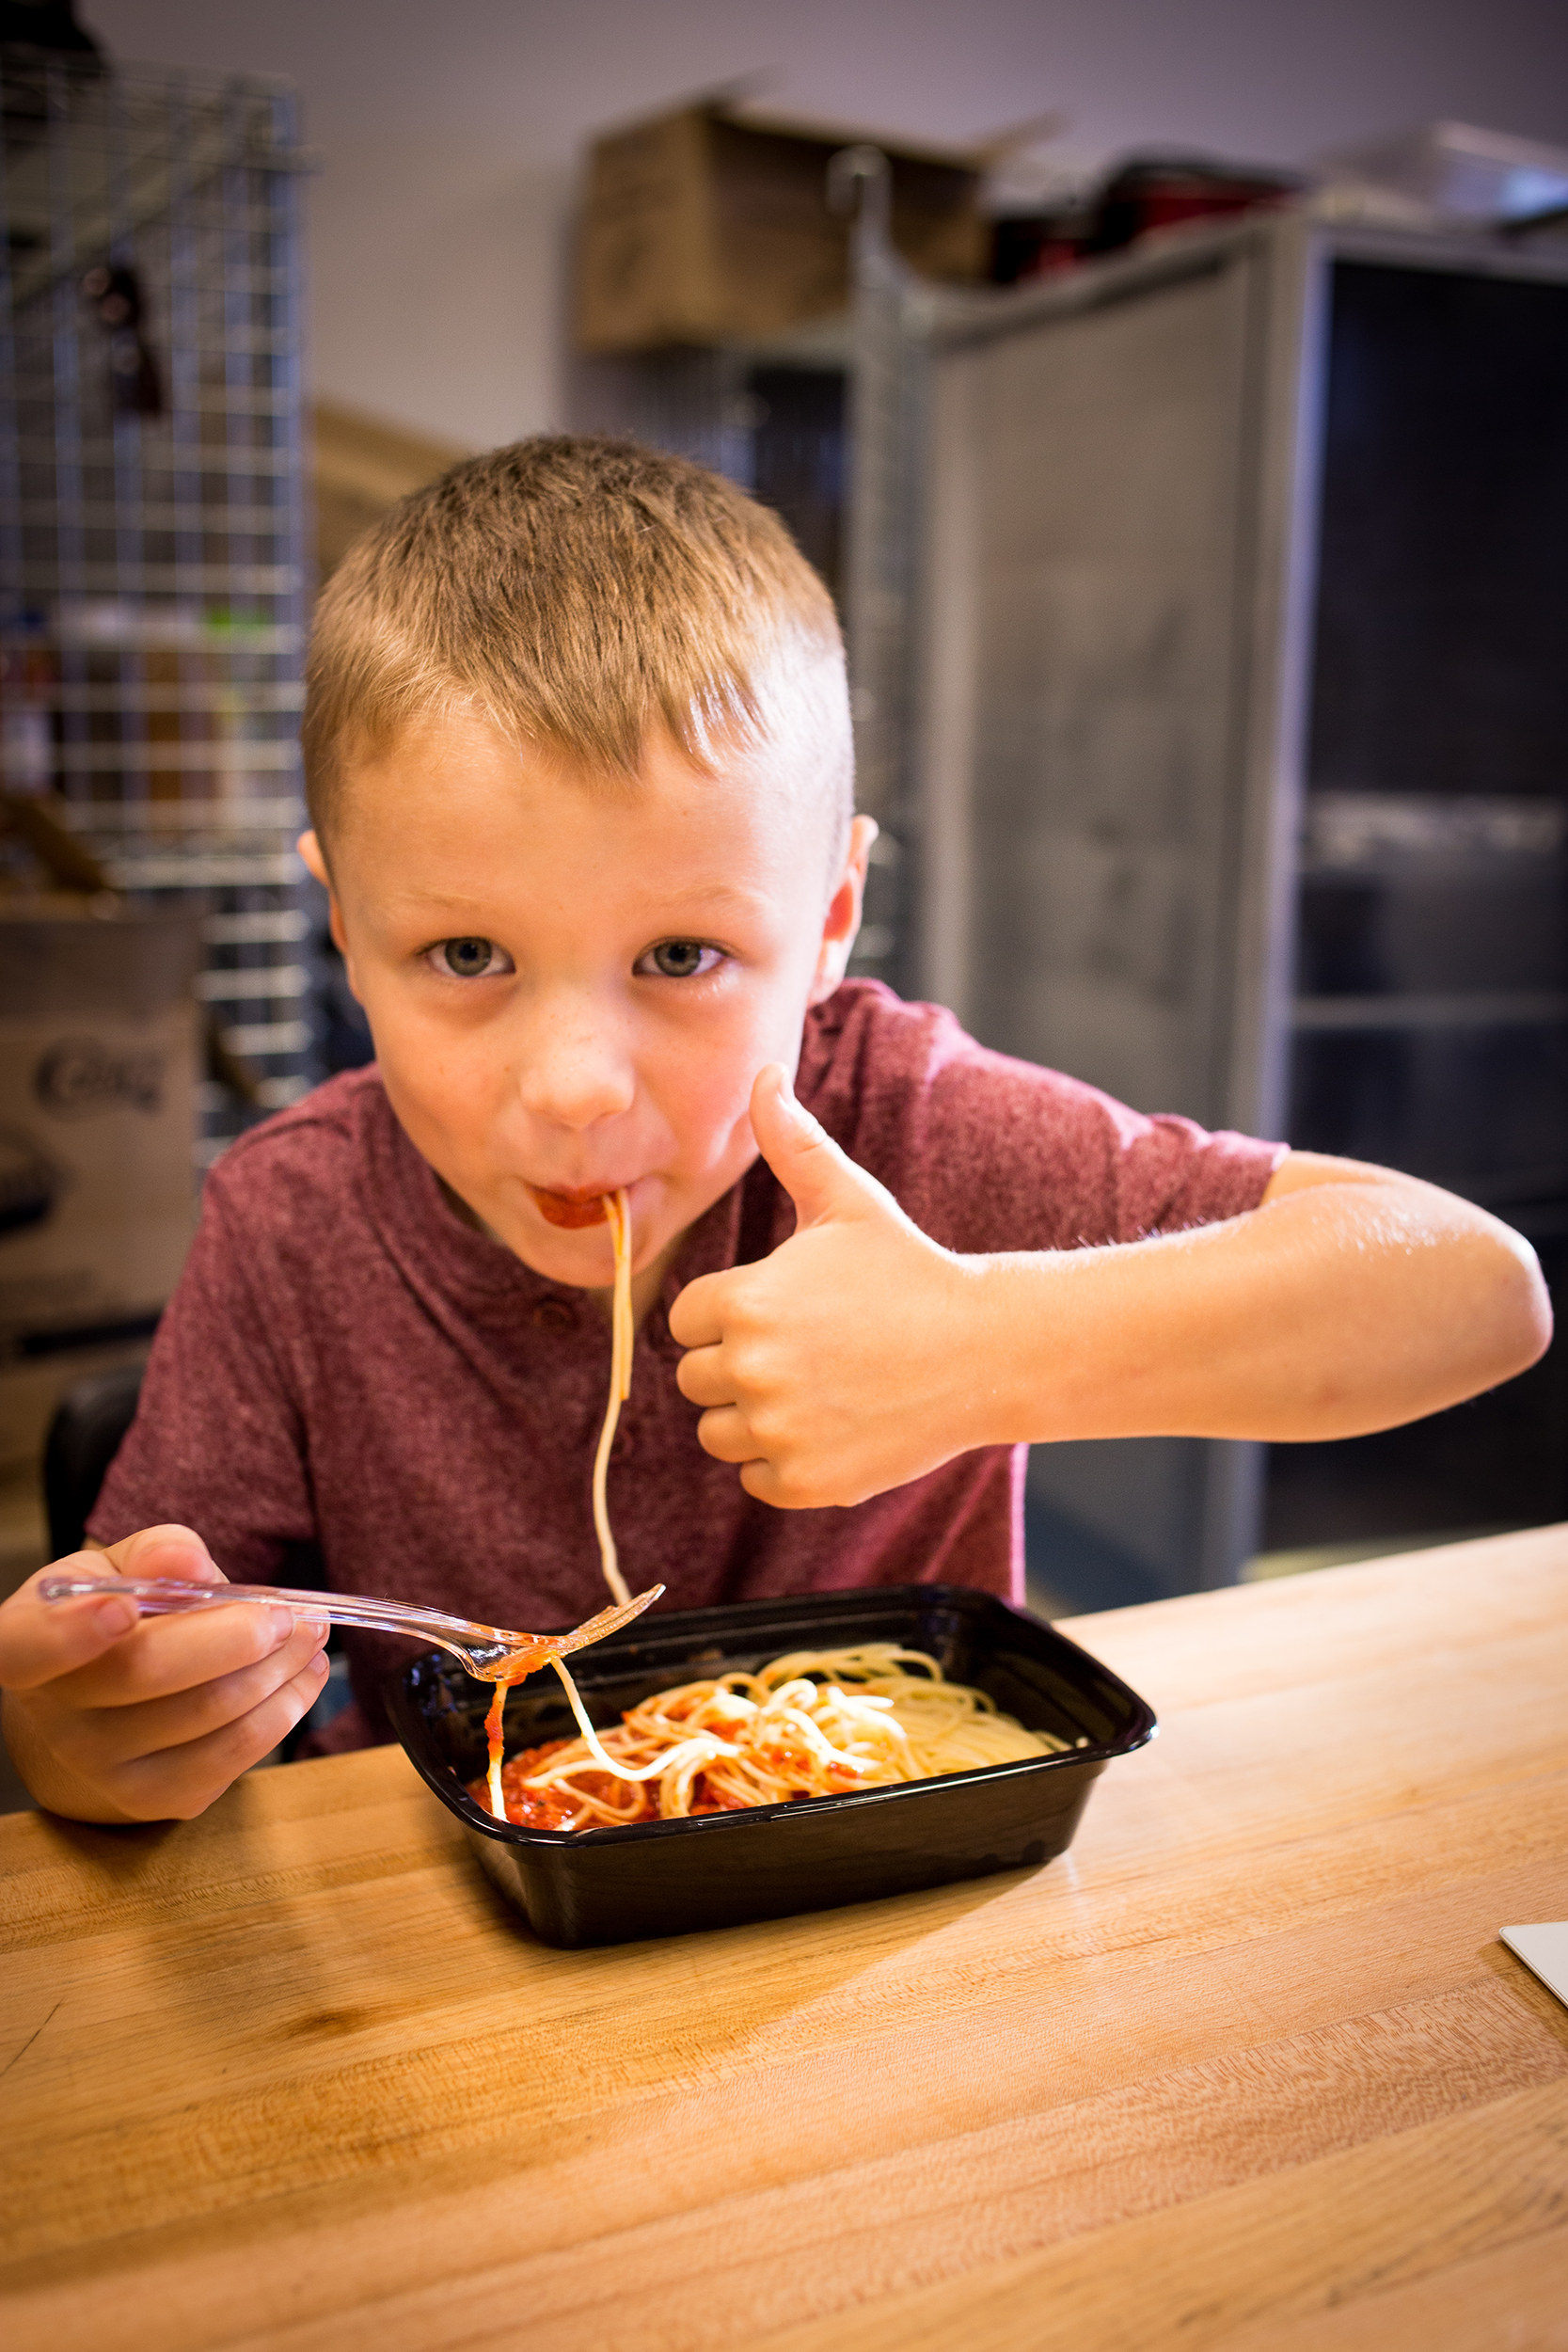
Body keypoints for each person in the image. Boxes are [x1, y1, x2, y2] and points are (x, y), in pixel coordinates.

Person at [0, 437, 1549, 1824]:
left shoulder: (909, 1133)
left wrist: (991, 1345)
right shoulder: (292, 1226)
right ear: (342, 923)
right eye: (467, 958)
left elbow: (1478, 1292)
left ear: (829, 921)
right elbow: (132, 1676)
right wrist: (90, 1740)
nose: (577, 1088)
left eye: (680, 958)